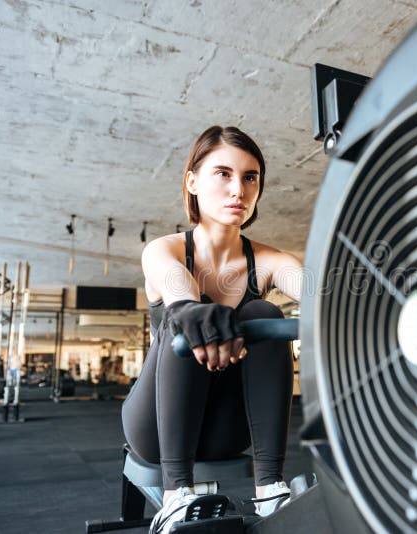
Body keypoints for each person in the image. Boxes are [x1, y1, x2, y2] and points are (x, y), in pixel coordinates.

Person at [122, 125, 303, 534]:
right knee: (185, 315)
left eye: (250, 176)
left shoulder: (270, 261)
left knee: (265, 313)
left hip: (227, 429)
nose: (238, 189)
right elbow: (175, 285)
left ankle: (270, 486)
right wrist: (189, 308)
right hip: (155, 426)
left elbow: (320, 293)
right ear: (193, 182)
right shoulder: (165, 249)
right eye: (223, 174)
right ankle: (175, 497)